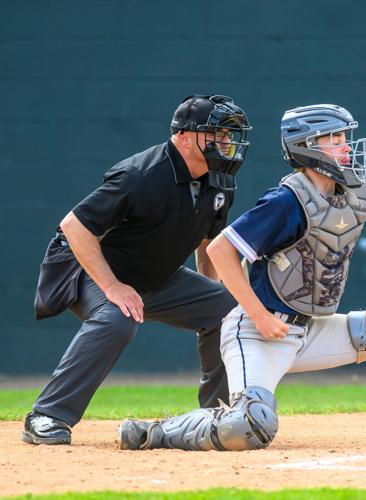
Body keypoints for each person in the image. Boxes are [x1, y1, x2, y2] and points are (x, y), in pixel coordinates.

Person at [118, 104, 366, 451]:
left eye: (346, 138)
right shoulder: (286, 200)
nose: (347, 146)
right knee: (251, 427)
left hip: (307, 331)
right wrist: (256, 315)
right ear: (308, 146)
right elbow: (221, 250)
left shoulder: (356, 191)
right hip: (257, 334)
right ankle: (153, 432)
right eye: (336, 139)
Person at [24, 95, 252, 445]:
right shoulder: (141, 175)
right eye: (216, 134)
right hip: (86, 268)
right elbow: (74, 227)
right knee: (118, 318)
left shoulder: (220, 181)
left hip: (152, 273)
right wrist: (113, 287)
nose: (226, 143)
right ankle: (46, 415)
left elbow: (208, 243)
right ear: (184, 137)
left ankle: (216, 415)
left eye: (228, 135)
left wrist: (211, 299)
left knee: (230, 310)